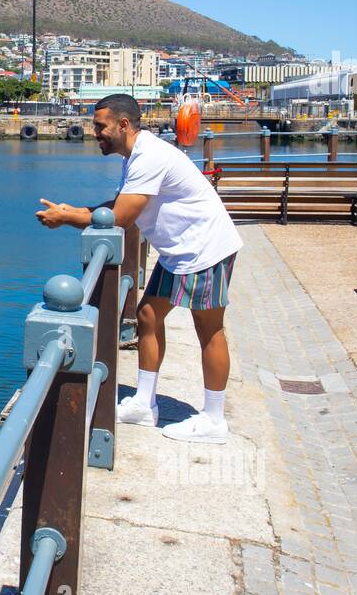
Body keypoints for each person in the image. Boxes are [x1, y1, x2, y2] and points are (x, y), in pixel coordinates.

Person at [34, 93, 242, 444]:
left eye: (100, 126)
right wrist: (78, 208)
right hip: (179, 251)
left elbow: (123, 218)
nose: (94, 132)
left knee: (209, 329)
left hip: (205, 247)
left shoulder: (149, 157)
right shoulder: (137, 155)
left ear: (124, 125)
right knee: (147, 316)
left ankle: (214, 420)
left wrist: (67, 218)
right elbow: (118, 204)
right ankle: (145, 404)